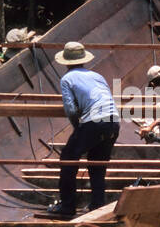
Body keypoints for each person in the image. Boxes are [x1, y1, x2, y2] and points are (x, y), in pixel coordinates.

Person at [48, 41, 119, 217]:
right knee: (97, 164)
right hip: (113, 121)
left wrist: (77, 127)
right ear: (83, 60)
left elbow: (71, 109)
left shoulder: (67, 79)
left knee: (68, 159)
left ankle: (67, 206)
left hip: (94, 121)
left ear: (66, 62)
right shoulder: (97, 76)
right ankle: (97, 206)